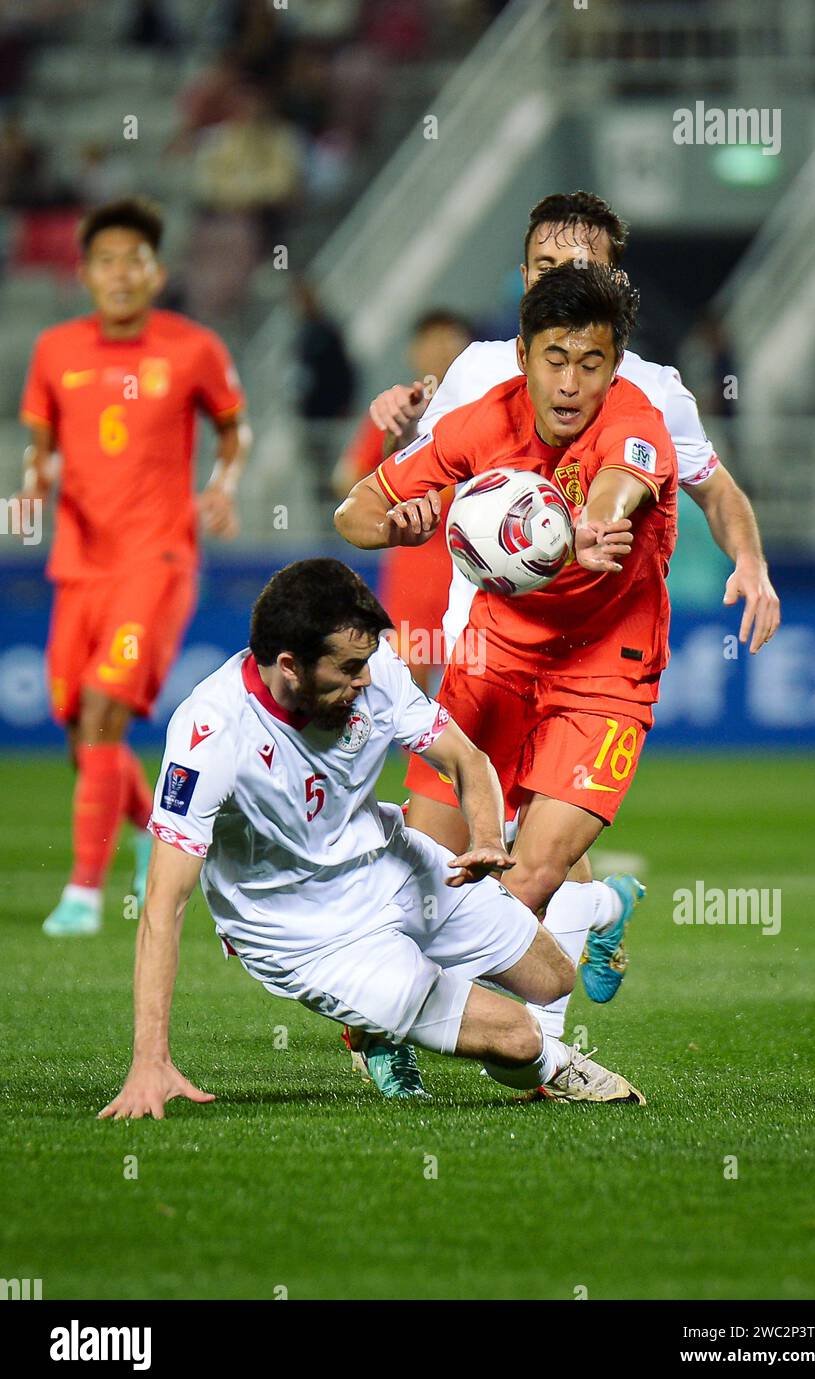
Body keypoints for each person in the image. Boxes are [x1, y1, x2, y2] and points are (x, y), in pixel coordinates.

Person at [364, 189, 780, 1003]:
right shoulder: (478, 367)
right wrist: (400, 425)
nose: (558, 276)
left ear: (613, 280)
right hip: (484, 631)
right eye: (545, 264)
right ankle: (591, 916)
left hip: (592, 646)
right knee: (449, 855)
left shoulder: (650, 389)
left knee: (530, 856)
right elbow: (425, 469)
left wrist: (751, 560)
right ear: (522, 275)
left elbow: (713, 486)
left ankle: (442, 1017)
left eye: (579, 264)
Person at [98, 559, 645, 1118]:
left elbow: (464, 758)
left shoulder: (373, 669)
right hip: (307, 934)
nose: (364, 679)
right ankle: (550, 1066)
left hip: (392, 865)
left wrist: (485, 837)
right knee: (519, 1038)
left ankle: (397, 1011)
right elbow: (163, 905)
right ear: (290, 666)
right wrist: (150, 1059)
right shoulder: (210, 734)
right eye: (348, 668)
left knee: (553, 978)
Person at [336, 263, 673, 1088]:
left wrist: (591, 525)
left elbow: (618, 487)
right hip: (494, 664)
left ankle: (409, 1014)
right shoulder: (479, 424)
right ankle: (593, 917)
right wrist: (395, 526)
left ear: (614, 364)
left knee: (531, 876)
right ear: (522, 355)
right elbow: (353, 512)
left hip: (606, 672)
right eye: (554, 359)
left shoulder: (636, 423)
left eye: (591, 363)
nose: (571, 383)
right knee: (426, 865)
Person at [17, 196, 250, 938]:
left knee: (100, 714)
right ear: (85, 273)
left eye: (134, 261)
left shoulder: (191, 348)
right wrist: (32, 486)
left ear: (156, 272)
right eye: (106, 261)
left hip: (157, 559)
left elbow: (234, 430)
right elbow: (41, 447)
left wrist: (222, 486)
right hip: (78, 565)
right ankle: (157, 833)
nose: (120, 274)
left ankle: (84, 893)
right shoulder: (55, 350)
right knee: (80, 737)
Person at [332, 309, 475, 690]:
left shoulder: (484, 410)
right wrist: (396, 481)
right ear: (414, 352)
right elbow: (345, 481)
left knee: (474, 690)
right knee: (408, 691)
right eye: (432, 341)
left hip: (477, 574)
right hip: (414, 577)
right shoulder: (399, 412)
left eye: (450, 340)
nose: (441, 351)